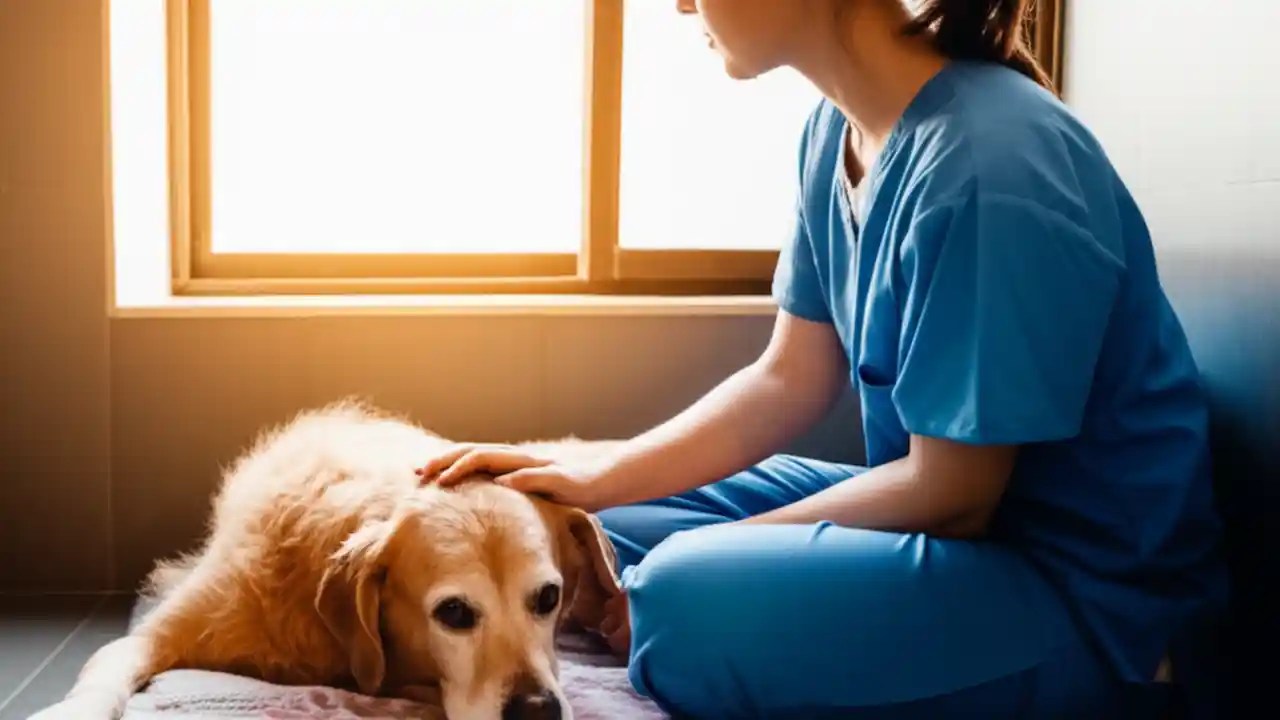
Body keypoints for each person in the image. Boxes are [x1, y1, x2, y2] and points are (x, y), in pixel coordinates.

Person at [418, 0, 1228, 717]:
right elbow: (788, 379)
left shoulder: (995, 165)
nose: (679, 5)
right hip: (964, 531)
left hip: (1081, 600)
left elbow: (956, 495)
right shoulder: (833, 136)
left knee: (677, 600)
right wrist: (593, 478)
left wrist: (712, 559)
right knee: (583, 529)